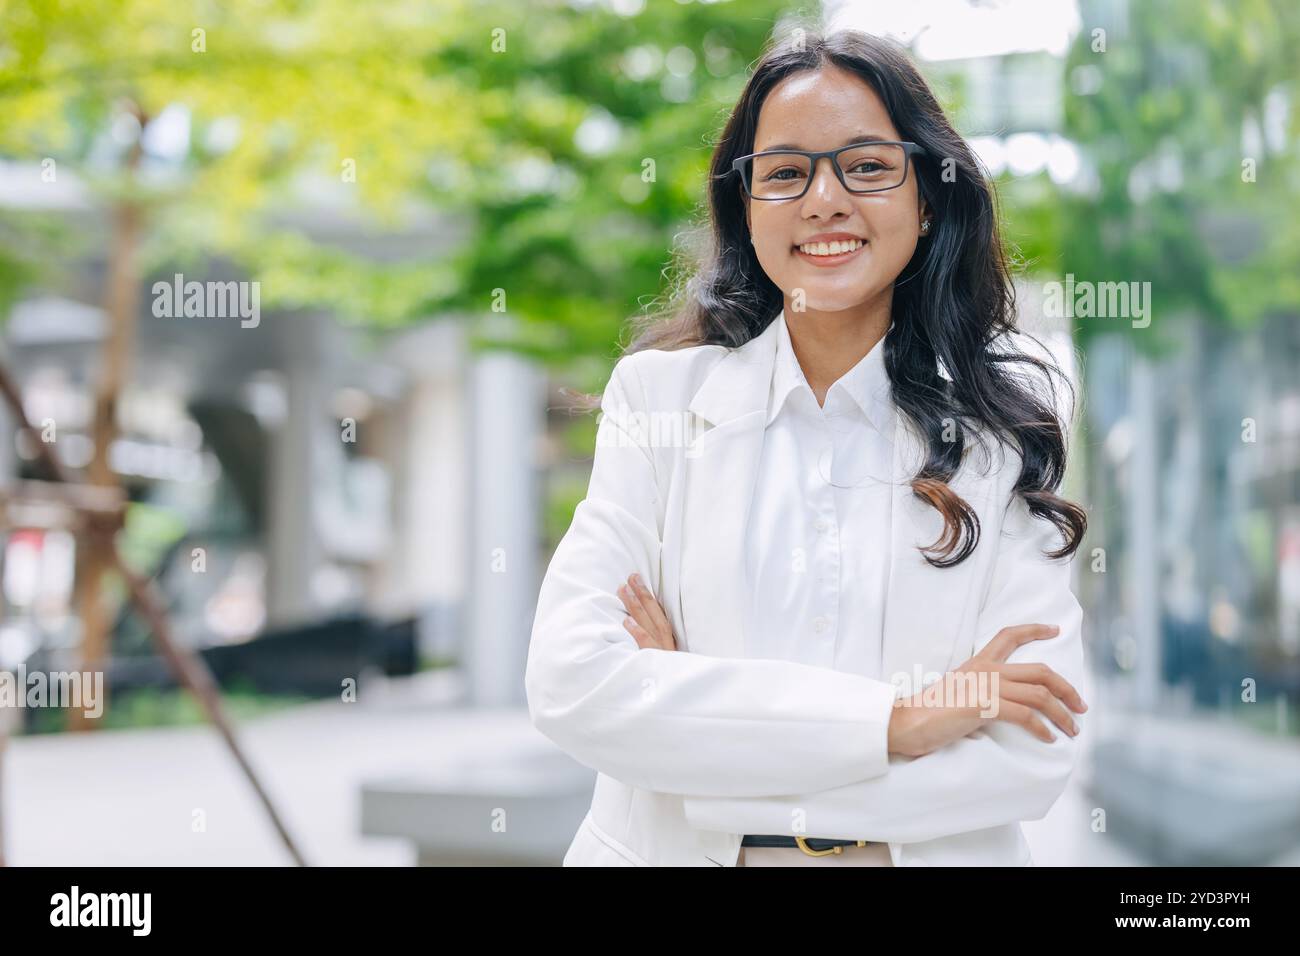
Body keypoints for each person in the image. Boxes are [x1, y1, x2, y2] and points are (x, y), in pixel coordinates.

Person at [525, 27, 1089, 867]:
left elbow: (1030, 752)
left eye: (866, 166)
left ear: (927, 198)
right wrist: (901, 722)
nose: (825, 201)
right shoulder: (657, 404)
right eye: (785, 173)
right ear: (745, 209)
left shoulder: (1003, 436)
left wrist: (694, 745)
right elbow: (573, 684)